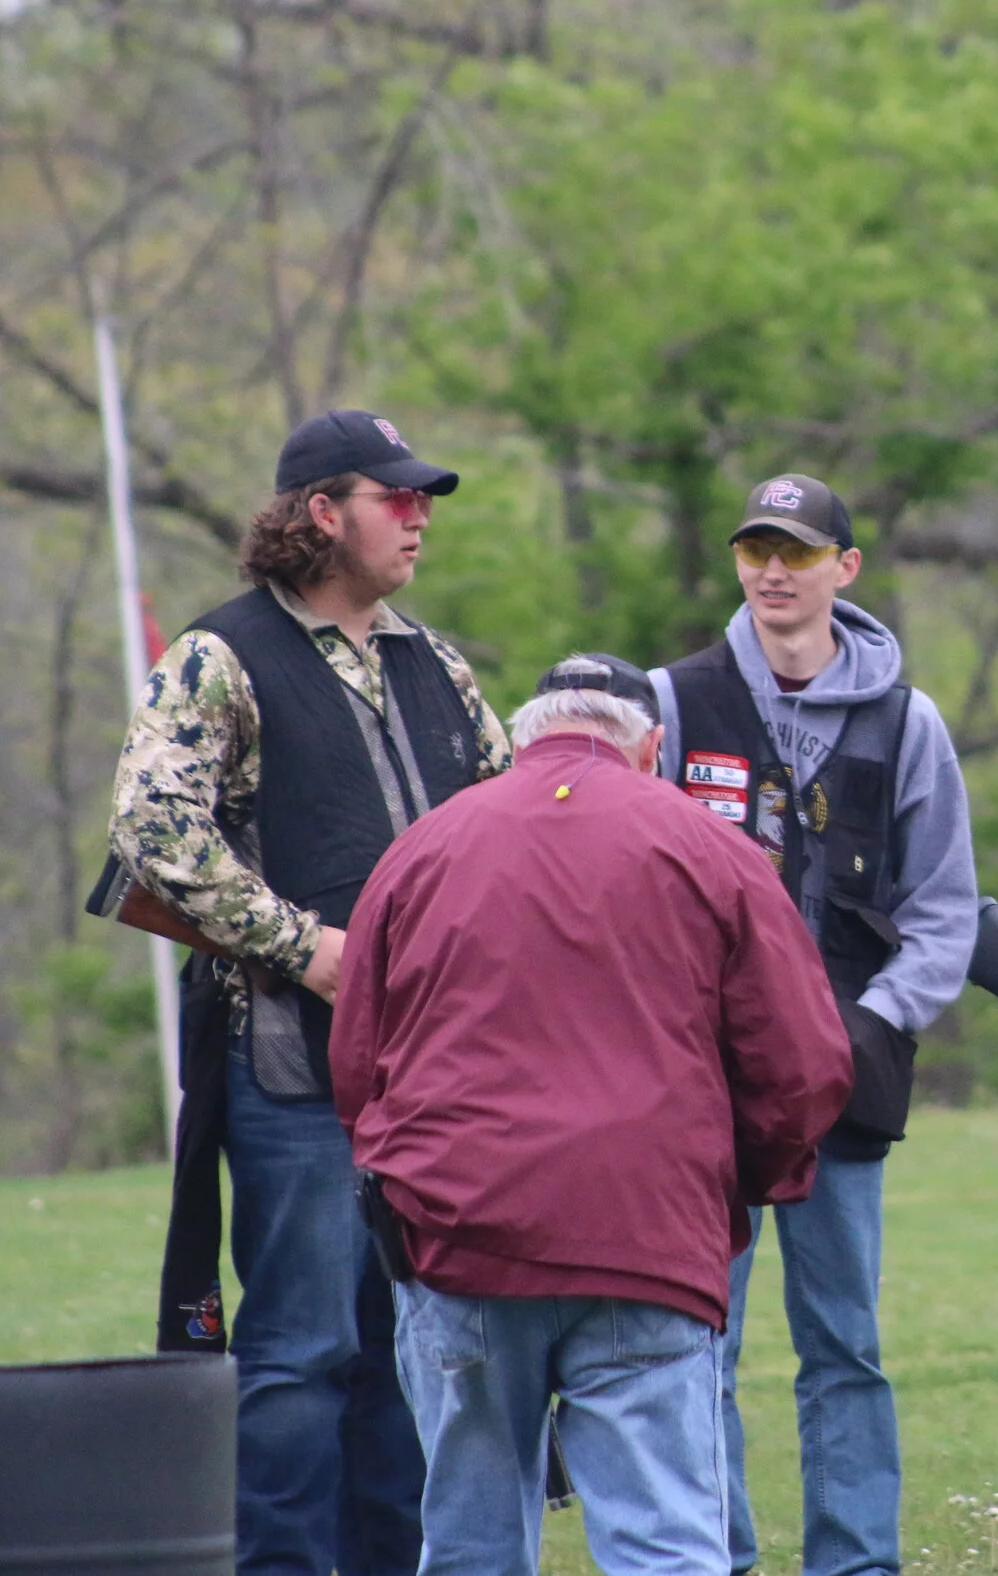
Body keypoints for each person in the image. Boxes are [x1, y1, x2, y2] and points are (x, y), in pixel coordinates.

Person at [331, 653, 854, 1576]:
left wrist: (405, 1184)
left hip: (460, 1236)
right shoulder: (709, 846)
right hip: (645, 1232)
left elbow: (358, 1060)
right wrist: (737, 1185)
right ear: (649, 747)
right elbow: (803, 1063)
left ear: (521, 737)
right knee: (664, 1542)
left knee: (469, 1545)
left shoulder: (424, 847)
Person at [108, 410, 510, 1576]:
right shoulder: (217, 655)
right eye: (398, 496)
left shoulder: (434, 661)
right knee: (302, 1351)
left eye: (426, 495)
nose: (421, 513)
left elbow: (504, 826)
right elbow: (150, 826)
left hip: (438, 1071)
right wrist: (301, 944)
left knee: (418, 1352)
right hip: (292, 1063)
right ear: (322, 513)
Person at [649, 474, 979, 1576]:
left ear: (846, 566)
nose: (772, 570)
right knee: (700, 1342)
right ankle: (716, 1553)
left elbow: (943, 912)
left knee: (846, 1344)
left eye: (795, 550)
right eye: (754, 548)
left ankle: (855, 1560)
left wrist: (866, 1026)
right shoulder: (672, 700)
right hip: (696, 1091)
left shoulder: (908, 719)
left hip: (842, 1082)